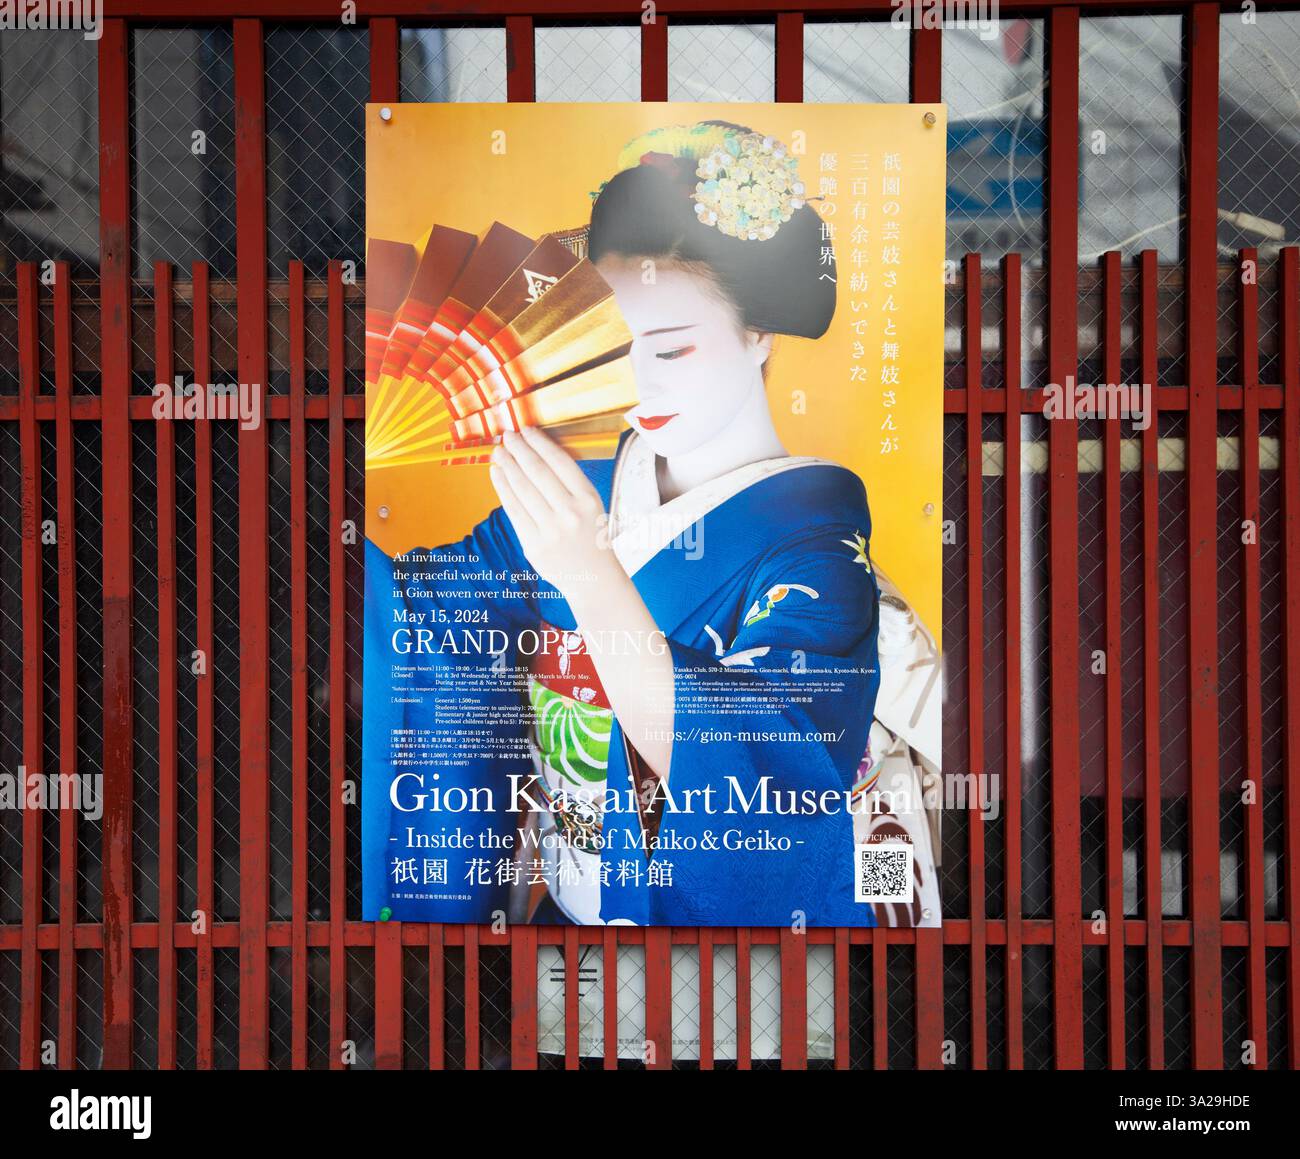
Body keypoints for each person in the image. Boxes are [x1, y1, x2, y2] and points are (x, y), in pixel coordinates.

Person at [364, 121, 893, 926]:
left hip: (728, 969)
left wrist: (588, 573)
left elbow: (771, 781)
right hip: (572, 935)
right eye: (620, 346)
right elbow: (427, 613)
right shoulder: (590, 490)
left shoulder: (818, 550)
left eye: (672, 349)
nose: (639, 379)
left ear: (758, 334)